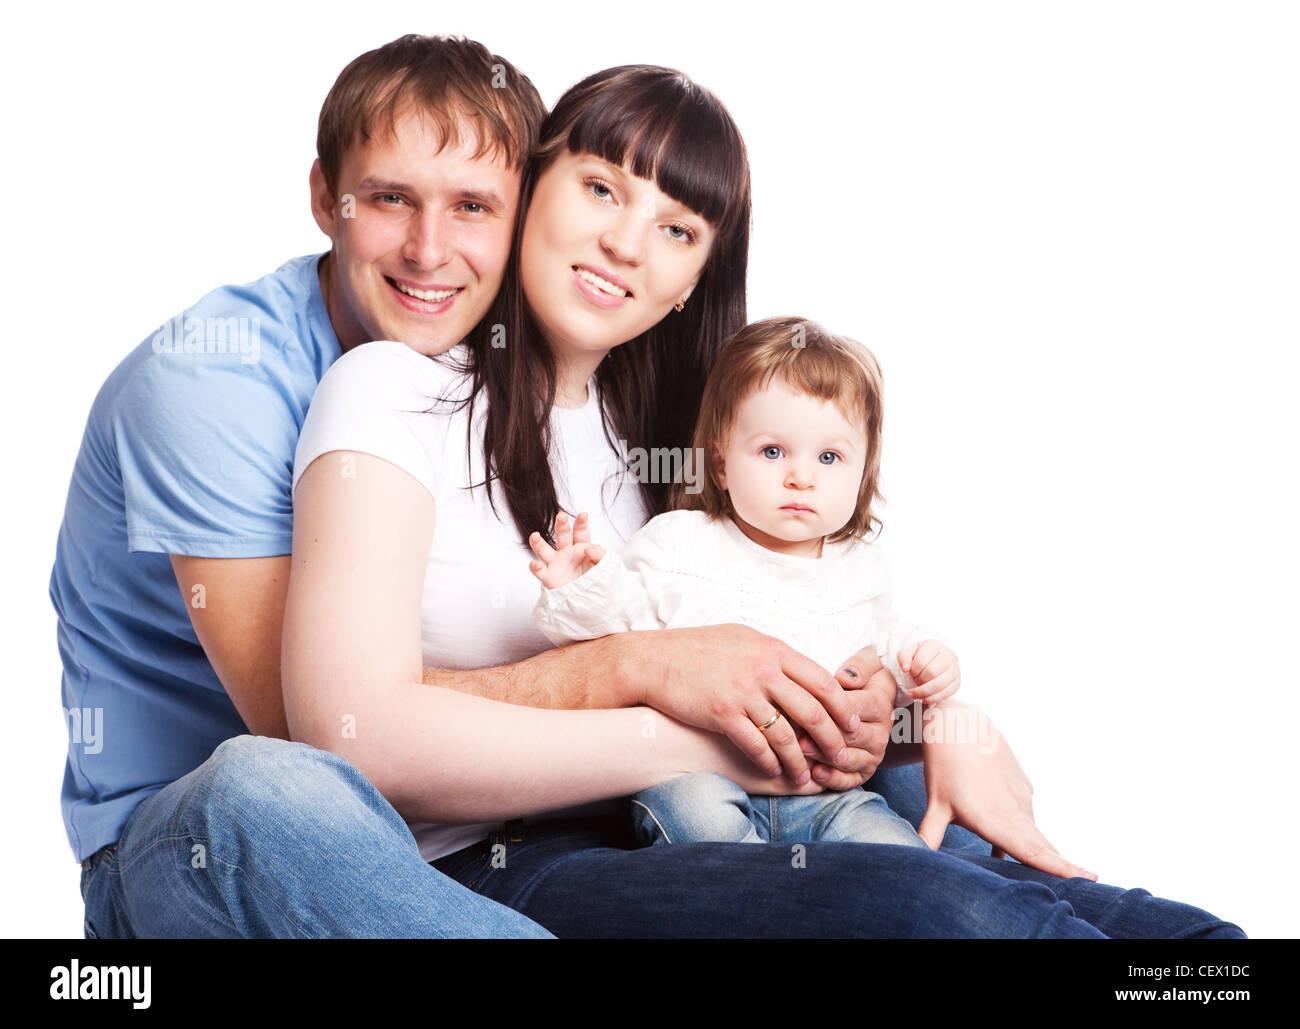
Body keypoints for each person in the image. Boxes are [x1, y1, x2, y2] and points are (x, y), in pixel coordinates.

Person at [284, 64, 1245, 937]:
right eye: (600, 189)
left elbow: (798, 628)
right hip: (505, 864)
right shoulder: (391, 390)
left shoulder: (682, 436)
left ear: (694, 279)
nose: (625, 243)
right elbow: (352, 734)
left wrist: (900, 724)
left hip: (735, 810)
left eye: (677, 230)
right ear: (534, 186)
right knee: (945, 910)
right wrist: (681, 697)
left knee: (1137, 924)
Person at [51, 34, 557, 938]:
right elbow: (330, 724)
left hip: (452, 840)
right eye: (391, 198)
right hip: (196, 849)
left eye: (473, 206)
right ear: (326, 197)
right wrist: (646, 684)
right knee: (269, 783)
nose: (428, 249)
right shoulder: (213, 379)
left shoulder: (501, 366)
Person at [528, 316, 958, 848]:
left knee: (892, 851)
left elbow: (888, 648)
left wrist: (925, 661)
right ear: (722, 464)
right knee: (700, 820)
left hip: (824, 795)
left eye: (829, 457)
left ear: (863, 473)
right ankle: (756, 896)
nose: (801, 476)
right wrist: (580, 586)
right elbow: (620, 629)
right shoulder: (680, 541)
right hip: (697, 776)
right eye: (772, 452)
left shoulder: (861, 566)